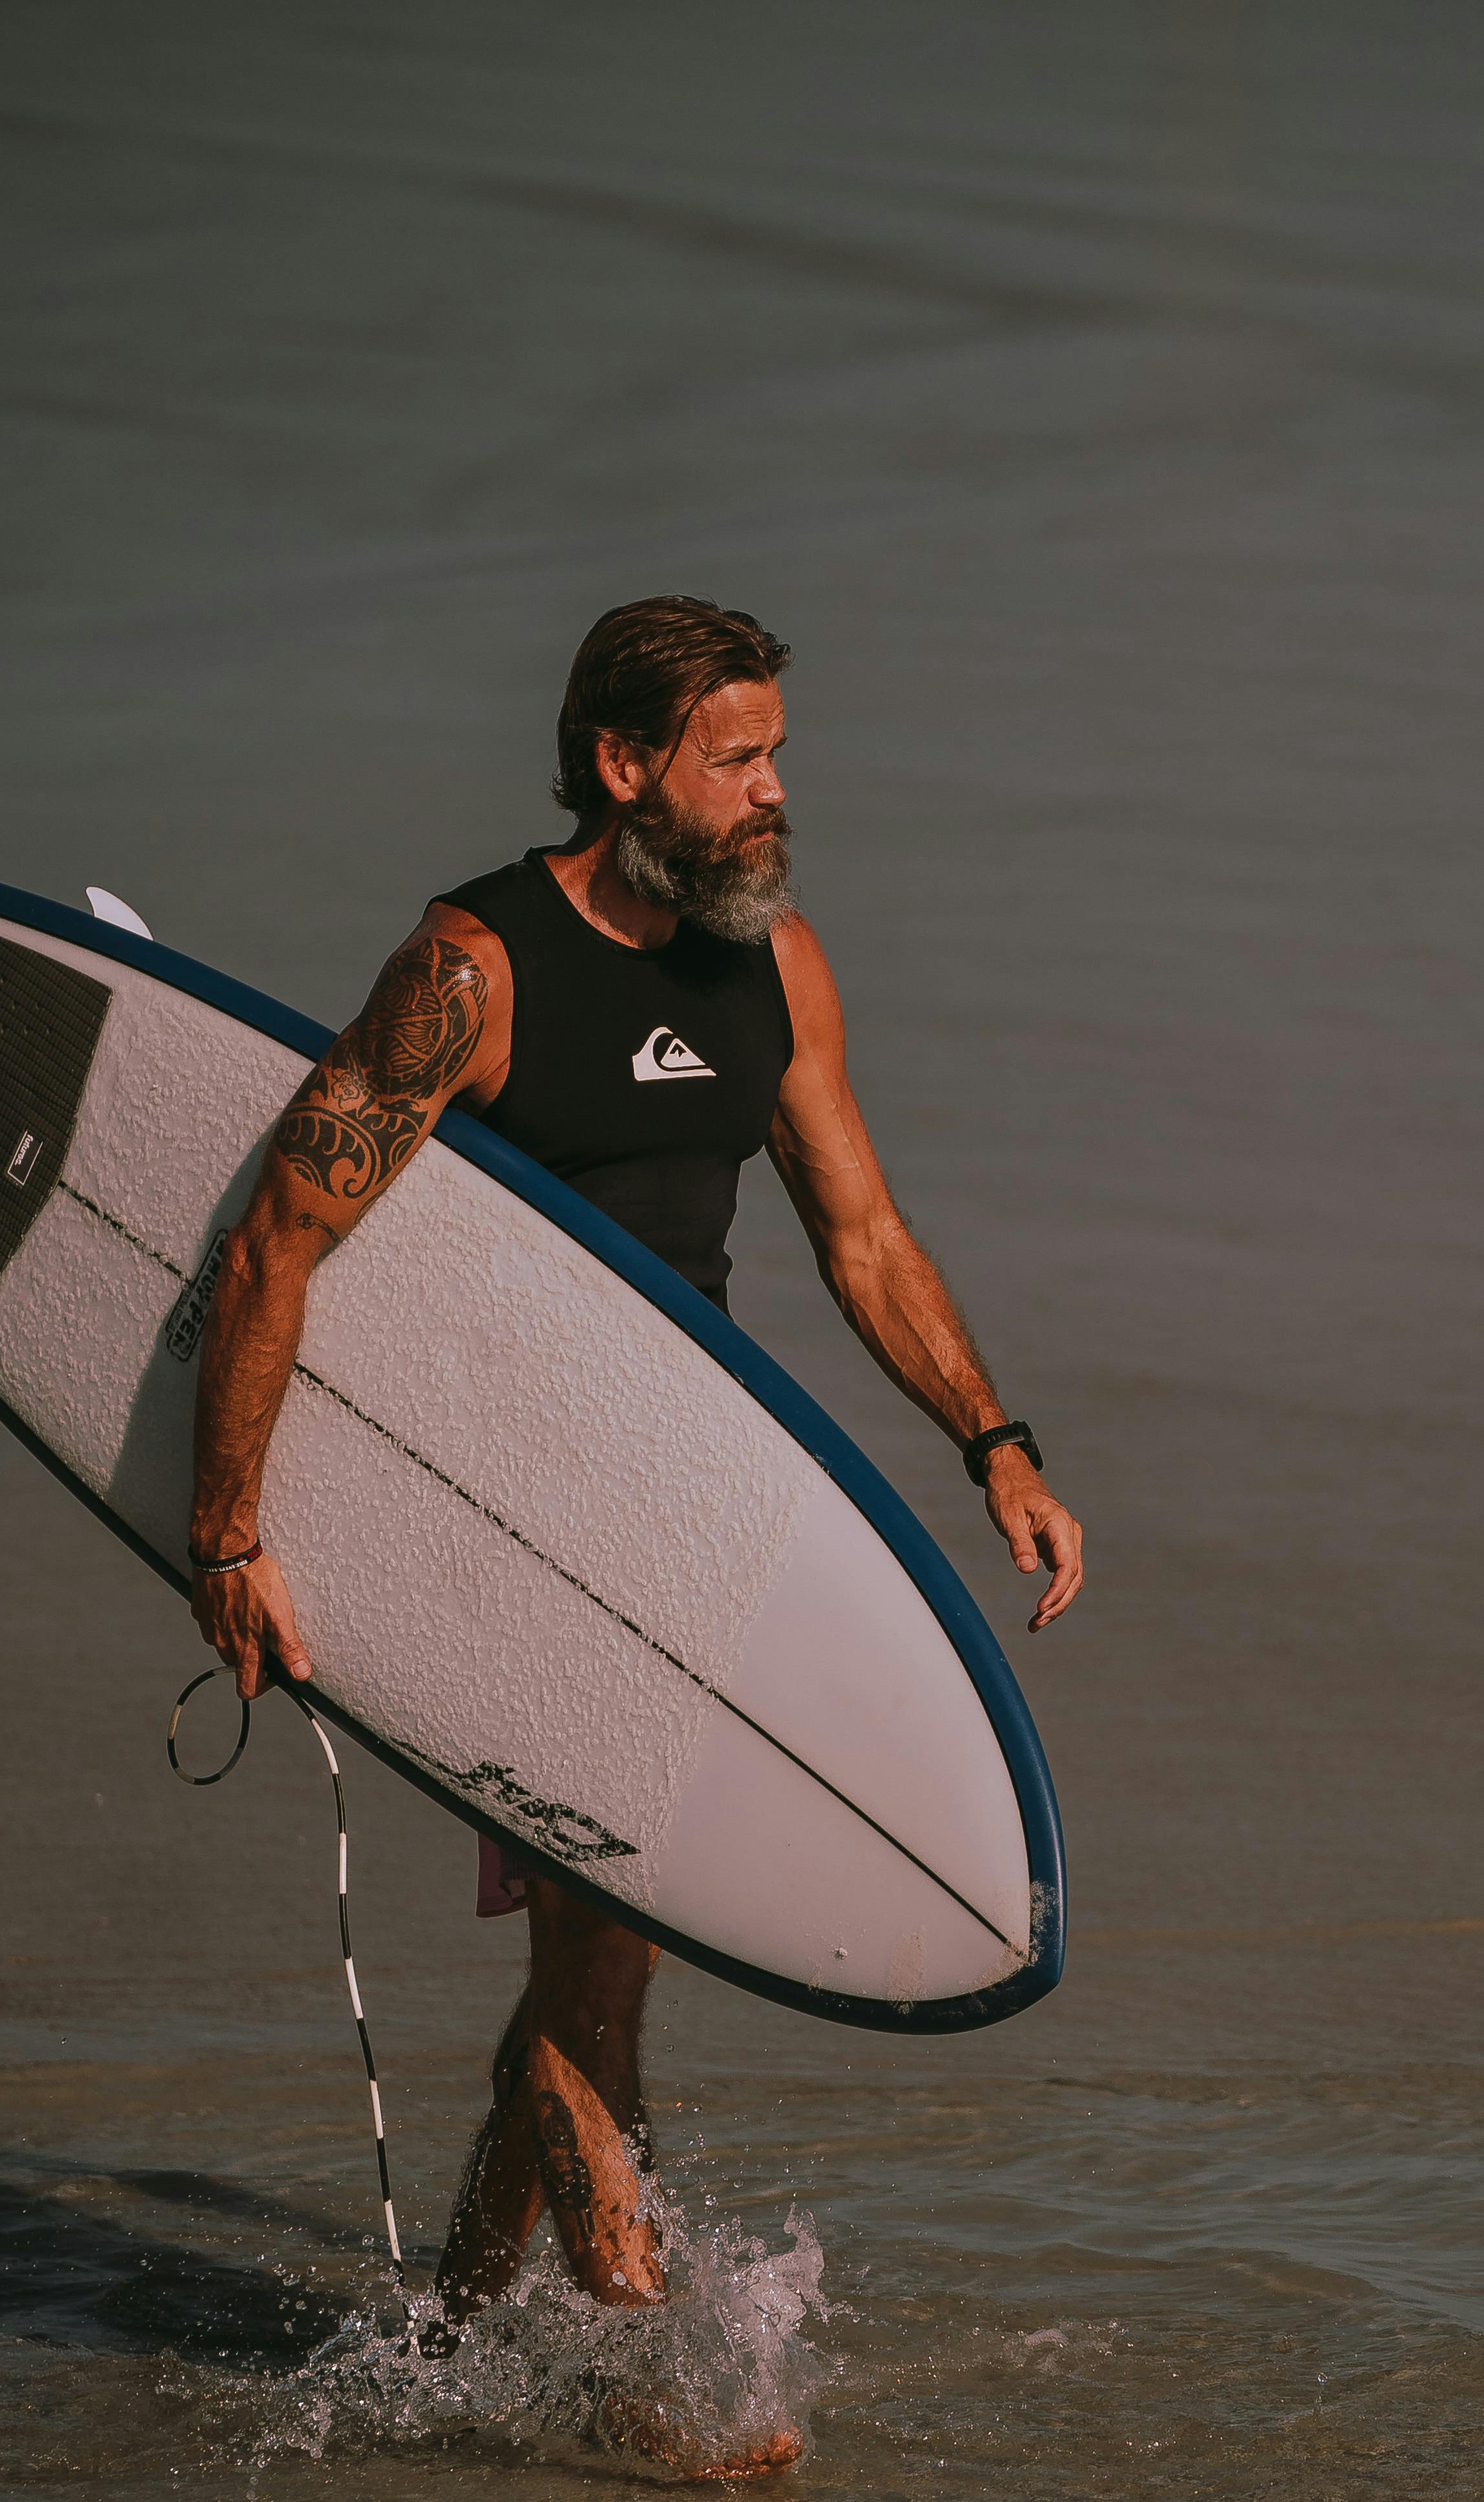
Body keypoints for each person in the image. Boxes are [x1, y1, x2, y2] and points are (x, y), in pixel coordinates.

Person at [184, 595, 1085, 2385]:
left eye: (777, 756)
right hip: (508, 1532)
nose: (773, 792)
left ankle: (445, 2355)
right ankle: (649, 2374)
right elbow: (282, 1234)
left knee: (593, 1959)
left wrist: (995, 1444)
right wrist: (234, 1537)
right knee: (601, 1953)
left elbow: (861, 1235)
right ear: (621, 766)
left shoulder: (776, 967)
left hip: (680, 1522)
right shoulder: (479, 969)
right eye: (735, 760)